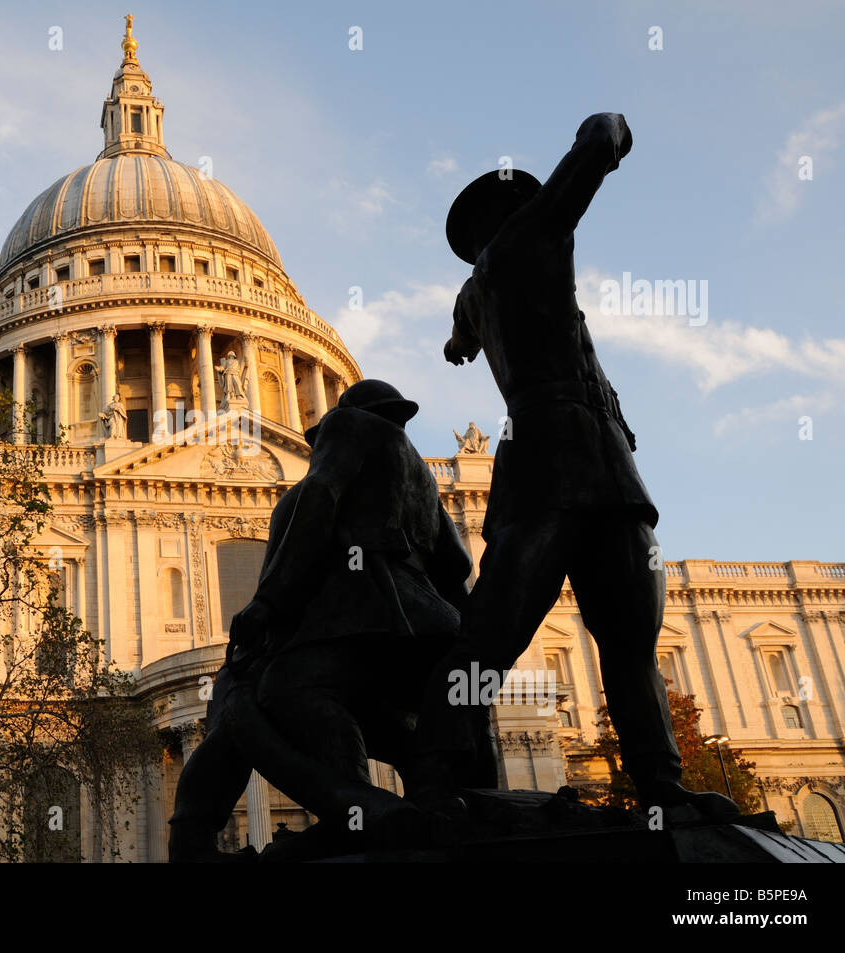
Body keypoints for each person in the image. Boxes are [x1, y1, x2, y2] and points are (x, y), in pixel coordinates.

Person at [419, 113, 737, 819]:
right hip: (574, 455)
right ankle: (657, 778)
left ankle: (437, 765)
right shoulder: (532, 236)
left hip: (559, 460)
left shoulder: (476, 291)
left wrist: (459, 343)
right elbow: (597, 143)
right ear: (514, 211)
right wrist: (616, 128)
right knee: (622, 640)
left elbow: (459, 341)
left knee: (500, 629)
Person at [168, 379, 474, 860]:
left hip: (367, 619)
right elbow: (457, 566)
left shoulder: (348, 427)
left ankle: (357, 812)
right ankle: (388, 810)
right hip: (426, 630)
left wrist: (267, 603)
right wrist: (467, 645)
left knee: (282, 693)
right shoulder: (422, 477)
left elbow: (319, 501)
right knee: (382, 723)